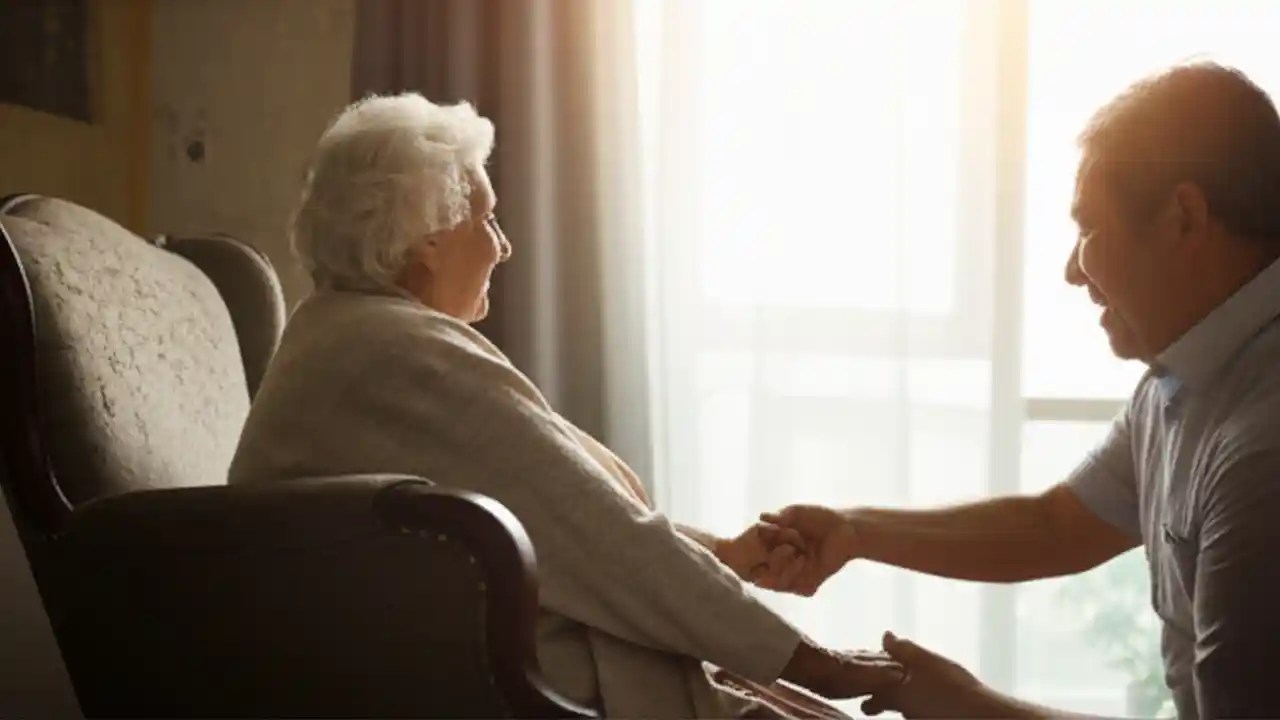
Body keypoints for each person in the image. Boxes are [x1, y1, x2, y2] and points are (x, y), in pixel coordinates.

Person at [227, 93, 902, 718]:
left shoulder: (347, 338)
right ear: (430, 237)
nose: (503, 245)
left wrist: (721, 553)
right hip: (479, 683)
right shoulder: (401, 353)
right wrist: (820, 666)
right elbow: (600, 533)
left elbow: (570, 526)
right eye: (487, 218)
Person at [754, 62, 1280, 720]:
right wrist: (856, 532)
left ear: (1182, 217)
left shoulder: (1262, 443)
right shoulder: (1187, 378)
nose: (1071, 270)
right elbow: (1056, 527)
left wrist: (976, 708)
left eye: (1088, 229)